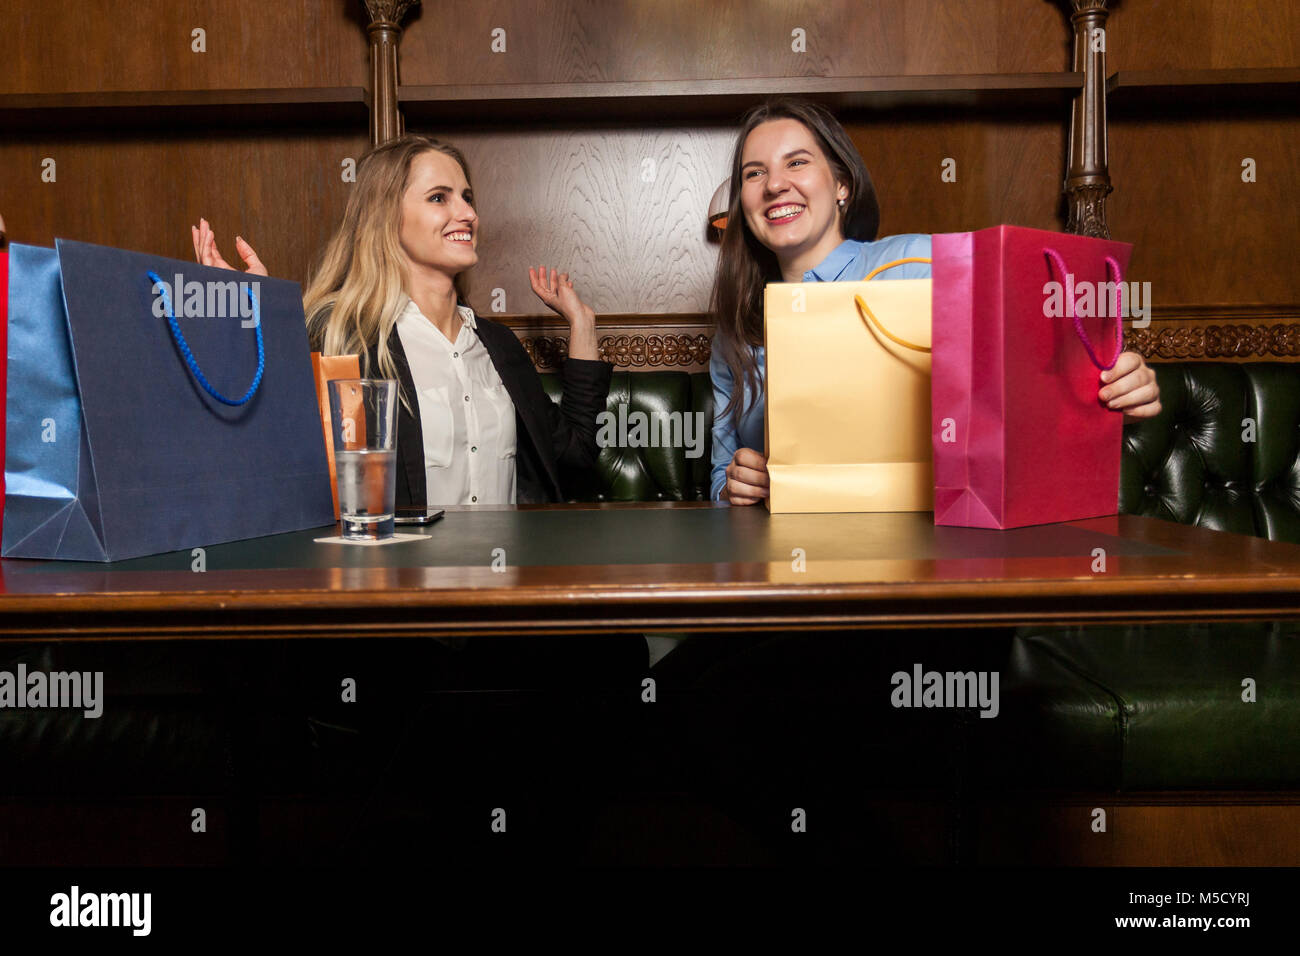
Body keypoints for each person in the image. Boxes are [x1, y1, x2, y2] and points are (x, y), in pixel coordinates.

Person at [709, 97, 1162, 506]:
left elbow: (1032, 364)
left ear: (842, 184)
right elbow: (720, 475)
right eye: (755, 173)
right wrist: (736, 485)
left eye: (797, 162)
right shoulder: (736, 328)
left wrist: (1116, 383)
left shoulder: (916, 263)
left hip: (928, 546)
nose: (774, 185)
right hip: (792, 554)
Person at [192, 133, 610, 508]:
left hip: (505, 584)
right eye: (439, 198)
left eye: (467, 197)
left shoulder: (499, 346)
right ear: (386, 216)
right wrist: (254, 322)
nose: (466, 213)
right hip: (399, 588)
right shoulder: (341, 335)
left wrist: (583, 324)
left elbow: (575, 456)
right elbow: (269, 458)